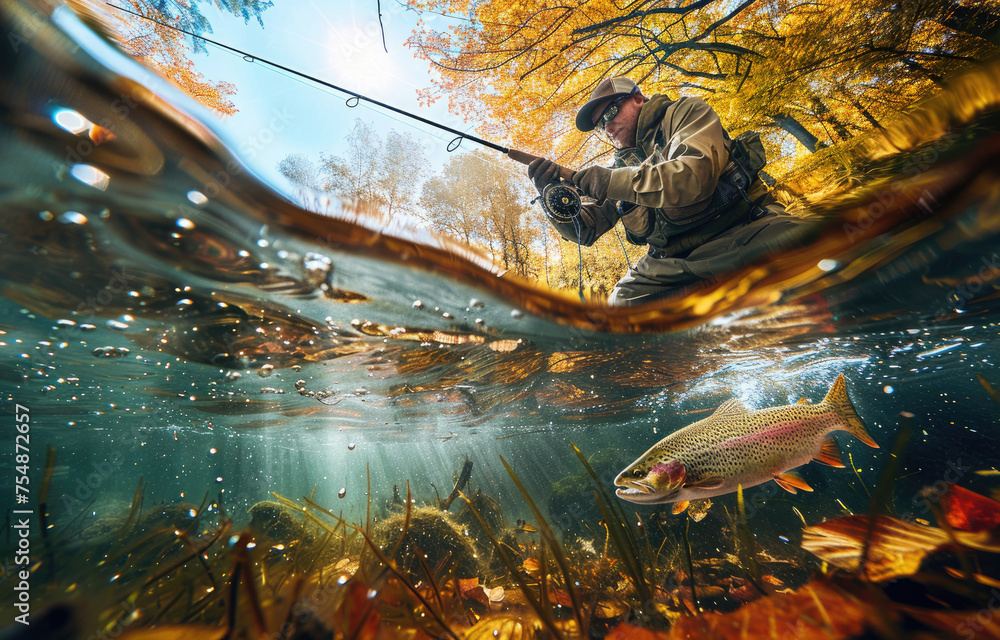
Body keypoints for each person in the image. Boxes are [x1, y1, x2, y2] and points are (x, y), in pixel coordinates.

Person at [528, 77, 810, 306]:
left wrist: (607, 181)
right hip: (672, 265)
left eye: (611, 112)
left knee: (811, 247)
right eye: (601, 124)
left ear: (638, 98)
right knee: (620, 309)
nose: (607, 126)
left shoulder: (687, 114)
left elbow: (693, 177)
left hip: (747, 230)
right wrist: (553, 197)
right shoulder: (616, 169)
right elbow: (585, 231)